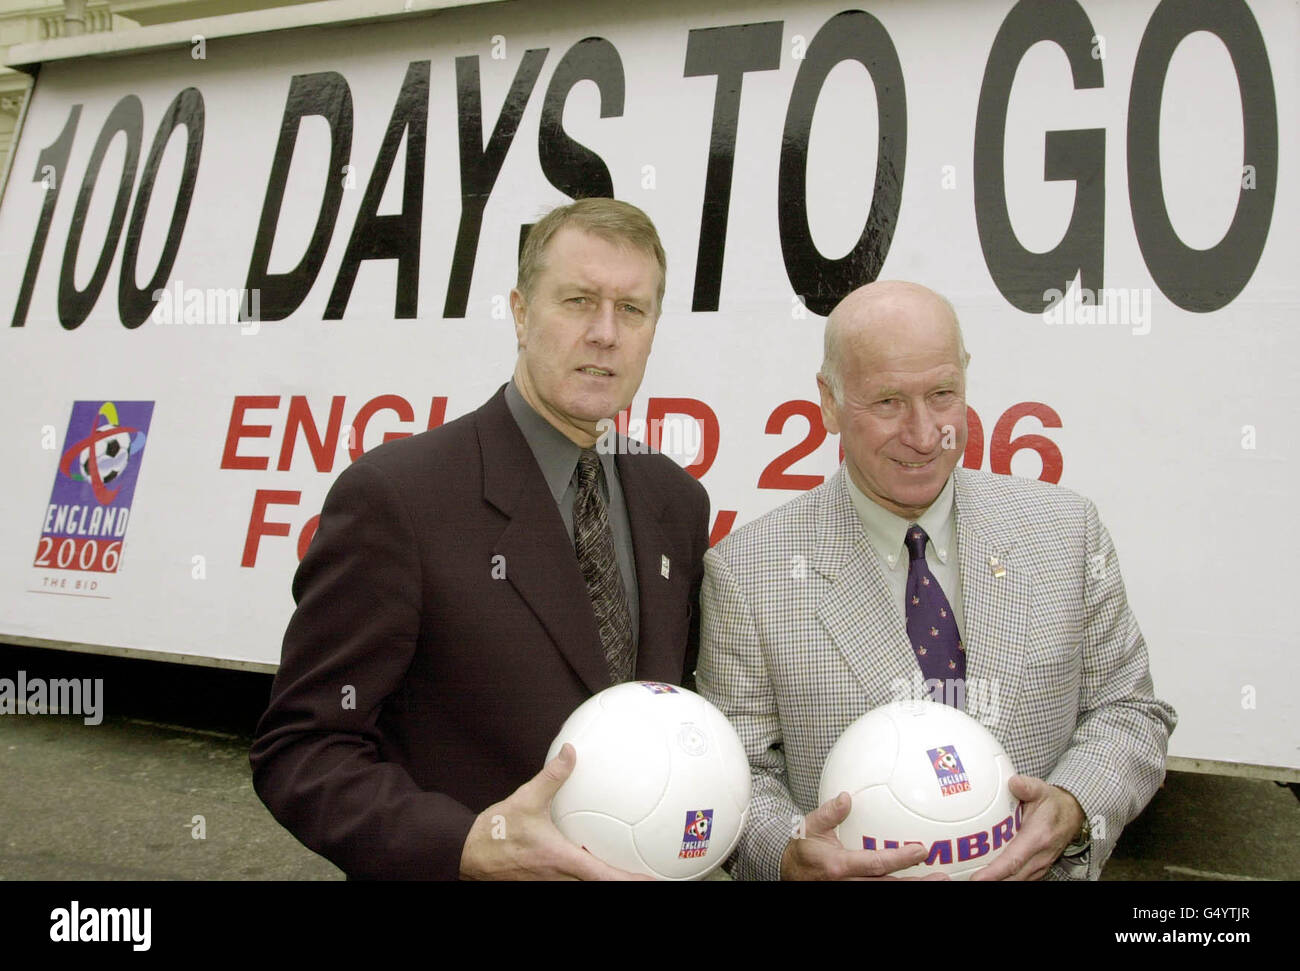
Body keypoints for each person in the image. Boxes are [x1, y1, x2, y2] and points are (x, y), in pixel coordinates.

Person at [250, 198, 710, 880]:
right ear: (521, 314)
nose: (605, 333)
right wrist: (466, 843)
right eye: (579, 301)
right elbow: (302, 750)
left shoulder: (677, 502)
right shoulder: (398, 498)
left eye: (632, 309)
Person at [697, 280, 1175, 881]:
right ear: (830, 402)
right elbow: (739, 772)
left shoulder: (1067, 532)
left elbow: (1130, 710)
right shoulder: (748, 572)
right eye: (888, 402)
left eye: (942, 394)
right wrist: (789, 855)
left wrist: (1075, 806)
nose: (925, 435)